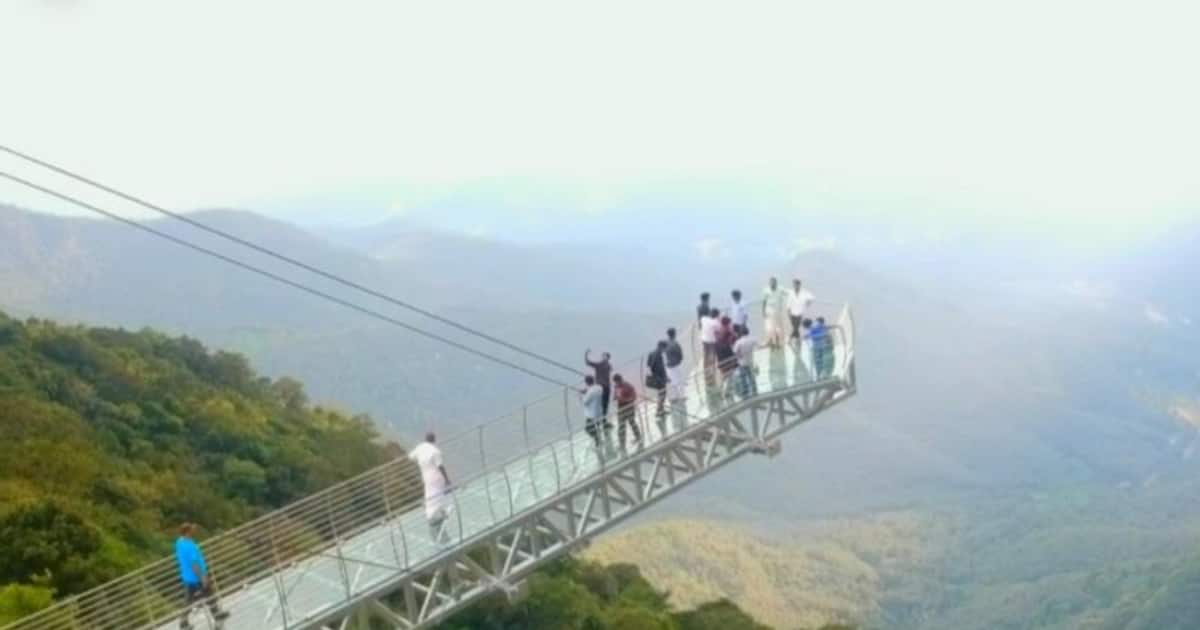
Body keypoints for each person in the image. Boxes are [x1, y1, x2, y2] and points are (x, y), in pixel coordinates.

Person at [175, 523, 230, 629]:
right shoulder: (189, 546)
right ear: (187, 532)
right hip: (197, 577)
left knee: (188, 600)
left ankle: (183, 622)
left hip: (187, 577)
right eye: (191, 531)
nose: (193, 532)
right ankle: (217, 615)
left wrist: (192, 527)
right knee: (210, 595)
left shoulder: (179, 542)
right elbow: (194, 564)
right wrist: (202, 577)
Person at [408, 433, 452, 543]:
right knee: (439, 495)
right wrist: (447, 479)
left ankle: (432, 514)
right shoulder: (435, 451)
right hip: (436, 476)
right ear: (434, 440)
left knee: (430, 495)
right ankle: (438, 513)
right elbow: (440, 466)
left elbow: (410, 457)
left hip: (426, 476)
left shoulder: (420, 448)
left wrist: (420, 463)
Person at [612, 374, 642, 448]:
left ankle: (638, 437)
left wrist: (626, 400)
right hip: (620, 409)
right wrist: (615, 398)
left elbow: (634, 396)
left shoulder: (628, 386)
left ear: (620, 380)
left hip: (629, 407)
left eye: (617, 382)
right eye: (616, 382)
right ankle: (621, 444)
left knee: (632, 423)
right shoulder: (616, 387)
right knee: (621, 427)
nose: (617, 383)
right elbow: (615, 396)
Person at [580, 375, 608, 447]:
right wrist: (587, 391)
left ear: (587, 382)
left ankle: (598, 441)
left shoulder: (590, 392)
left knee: (588, 429)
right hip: (599, 411)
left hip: (591, 414)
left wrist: (583, 394)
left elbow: (585, 402)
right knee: (596, 427)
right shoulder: (599, 387)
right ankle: (598, 442)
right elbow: (592, 391)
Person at [584, 349, 613, 419]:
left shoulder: (600, 364)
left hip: (600, 387)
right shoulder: (609, 365)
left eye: (603, 356)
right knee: (605, 404)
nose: (602, 357)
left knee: (599, 404)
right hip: (607, 386)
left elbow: (588, 362)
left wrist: (586, 354)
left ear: (606, 357)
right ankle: (604, 420)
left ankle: (599, 420)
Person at [732, 325, 758, 399]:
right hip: (750, 361)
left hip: (742, 362)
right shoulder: (752, 339)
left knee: (743, 378)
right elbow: (758, 345)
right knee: (751, 377)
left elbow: (735, 351)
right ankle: (754, 391)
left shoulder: (739, 342)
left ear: (741, 333)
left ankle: (745, 393)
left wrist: (739, 356)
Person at [646, 340, 669, 419]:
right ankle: (659, 411)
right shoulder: (658, 355)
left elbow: (648, 365)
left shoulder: (651, 353)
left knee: (660, 394)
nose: (665, 350)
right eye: (665, 348)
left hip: (655, 377)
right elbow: (660, 368)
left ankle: (661, 410)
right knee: (662, 394)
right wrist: (664, 378)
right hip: (659, 378)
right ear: (662, 347)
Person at [762, 277, 786, 348]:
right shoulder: (766, 290)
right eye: (771, 283)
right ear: (769, 283)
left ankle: (779, 342)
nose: (772, 284)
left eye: (774, 283)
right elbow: (764, 301)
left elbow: (788, 293)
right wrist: (763, 311)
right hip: (769, 310)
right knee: (769, 327)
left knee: (779, 327)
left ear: (776, 283)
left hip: (778, 310)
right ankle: (772, 342)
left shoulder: (780, 289)